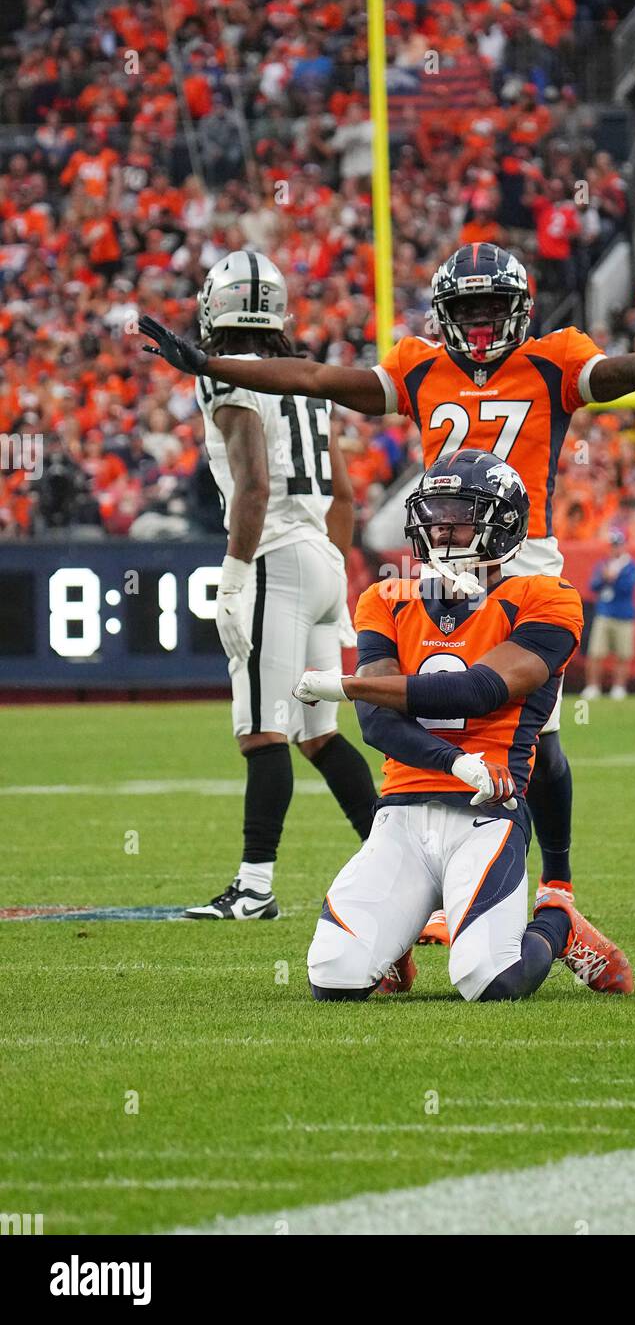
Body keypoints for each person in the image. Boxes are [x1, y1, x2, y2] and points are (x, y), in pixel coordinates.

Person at [140, 247, 635, 915]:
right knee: (438, 725)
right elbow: (317, 378)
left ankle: (556, 881)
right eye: (470, 309)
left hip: (523, 567)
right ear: (445, 313)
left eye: (495, 308)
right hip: (444, 562)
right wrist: (207, 364)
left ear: (521, 309)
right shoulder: (419, 367)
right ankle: (432, 889)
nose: (485, 323)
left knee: (539, 738)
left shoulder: (554, 361)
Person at [294, 449, 634, 1001]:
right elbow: (377, 723)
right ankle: (395, 940)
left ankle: (557, 923)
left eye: (460, 512)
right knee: (333, 976)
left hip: (487, 815)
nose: (442, 525)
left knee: (488, 980)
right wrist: (453, 760)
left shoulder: (544, 598)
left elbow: (477, 690)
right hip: (402, 814)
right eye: (435, 512)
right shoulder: (387, 598)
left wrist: (349, 684)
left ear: (503, 524)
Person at [181, 251, 377, 920]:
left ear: (215, 307)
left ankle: (255, 888)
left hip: (278, 558)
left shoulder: (222, 382)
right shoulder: (302, 380)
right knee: (318, 735)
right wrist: (338, 577)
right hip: (321, 556)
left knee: (262, 732)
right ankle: (397, 864)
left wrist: (235, 574)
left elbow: (256, 485)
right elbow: (346, 498)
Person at [583, 529, 635, 700]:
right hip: (604, 613)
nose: (615, 548)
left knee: (623, 655)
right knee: (595, 653)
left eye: (618, 545)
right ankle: (592, 687)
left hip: (624, 615)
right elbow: (593, 586)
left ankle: (619, 687)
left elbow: (628, 588)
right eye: (613, 545)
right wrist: (605, 578)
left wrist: (614, 578)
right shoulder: (603, 564)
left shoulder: (631, 566)